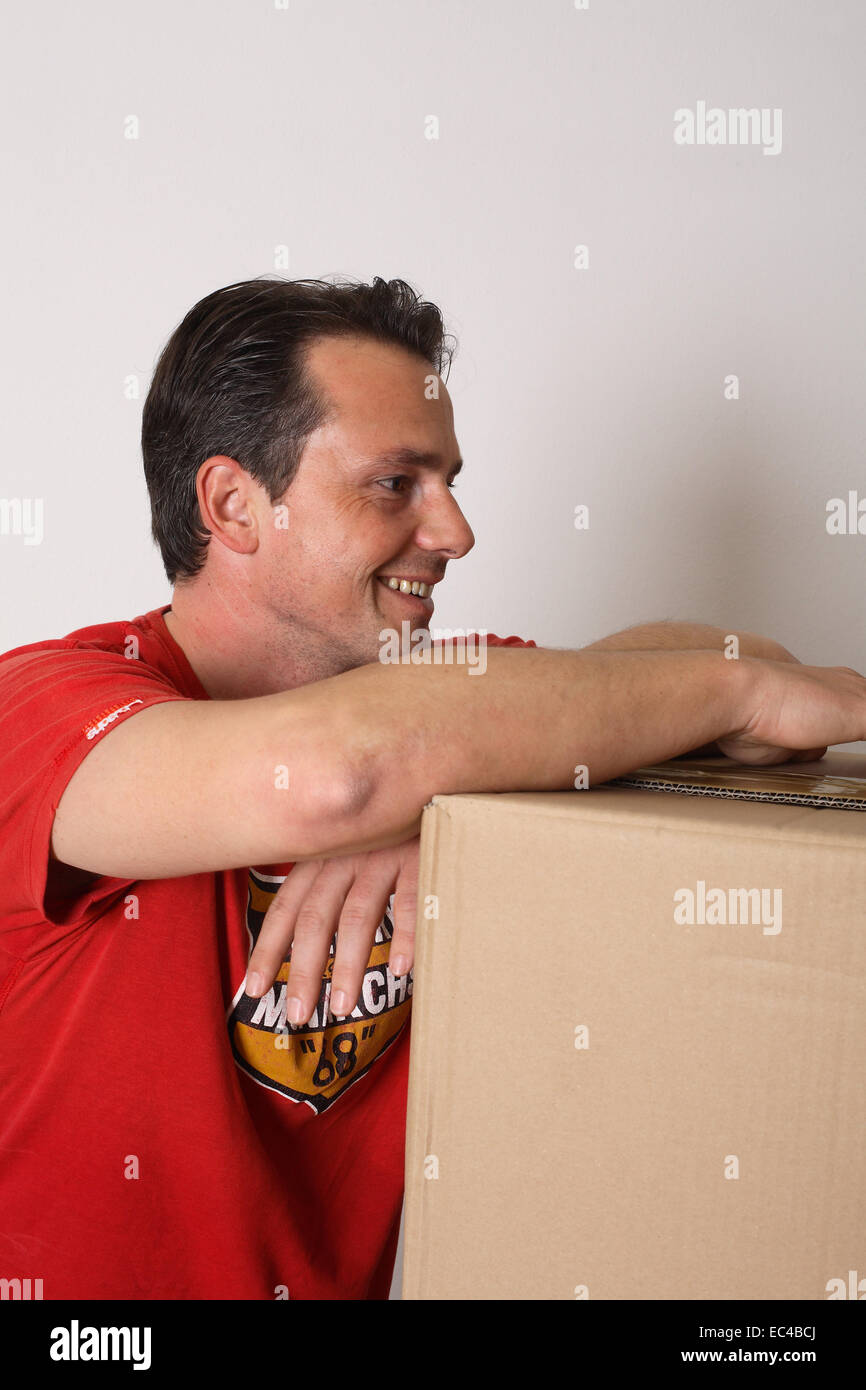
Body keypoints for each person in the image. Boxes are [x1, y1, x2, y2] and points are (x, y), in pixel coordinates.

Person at [1, 276, 863, 1301]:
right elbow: (331, 776)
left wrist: (467, 803)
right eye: (393, 483)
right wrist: (430, 783)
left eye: (447, 481)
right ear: (233, 504)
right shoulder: (44, 708)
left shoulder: (438, 720)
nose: (454, 533)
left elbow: (698, 670)